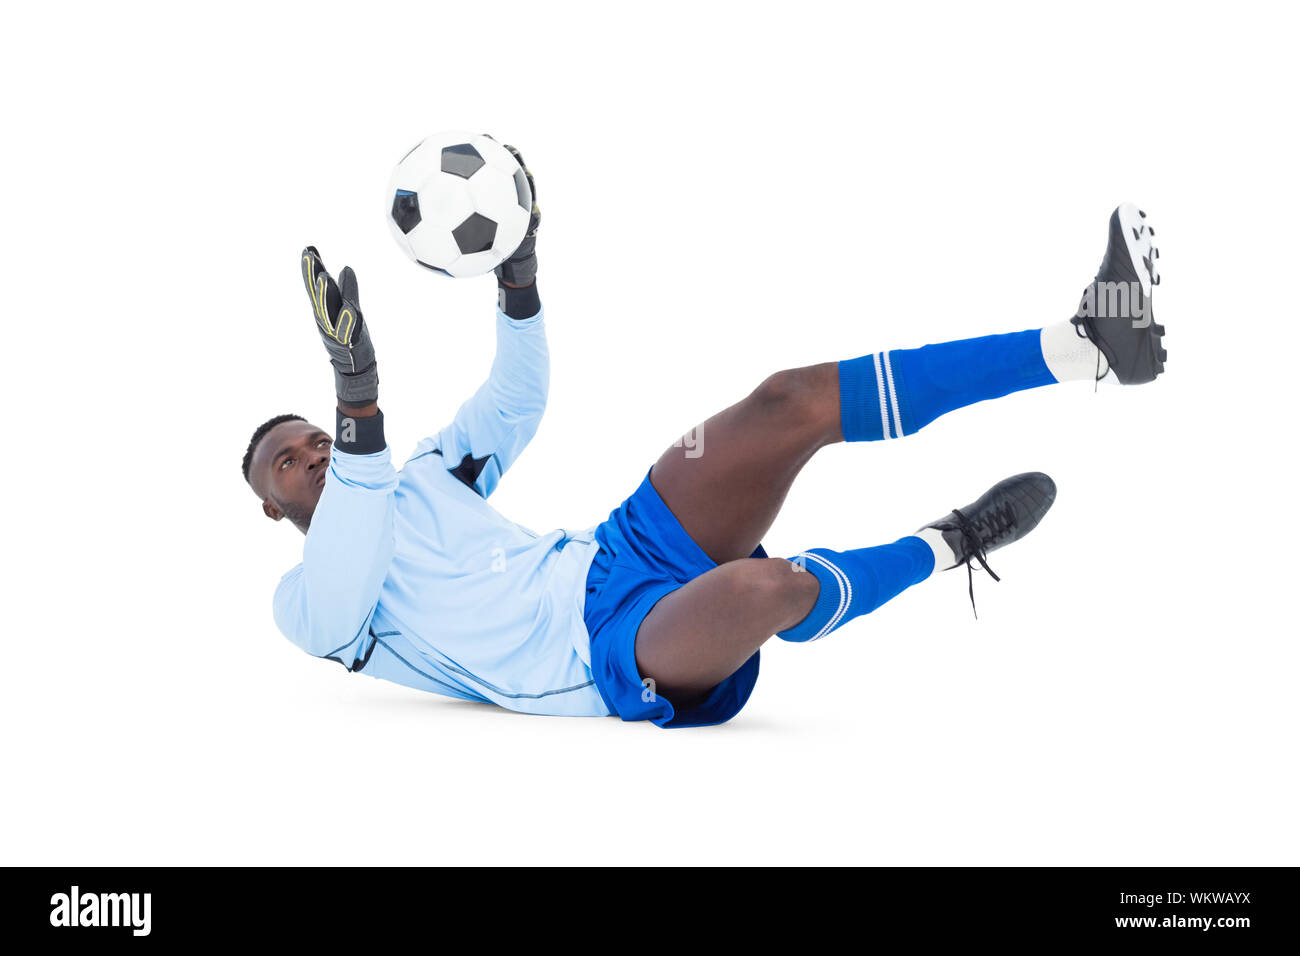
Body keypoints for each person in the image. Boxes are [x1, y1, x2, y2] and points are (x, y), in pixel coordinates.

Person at [243, 146, 1166, 727]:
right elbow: (352, 551)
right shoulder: (307, 606)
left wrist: (518, 280)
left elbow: (516, 401)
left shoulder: (425, 478)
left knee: (785, 401)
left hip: (613, 552)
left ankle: (1084, 345)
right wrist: (355, 400)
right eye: (289, 461)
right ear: (269, 504)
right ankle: (951, 541)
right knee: (770, 586)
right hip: (600, 650)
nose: (313, 453)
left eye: (315, 439)